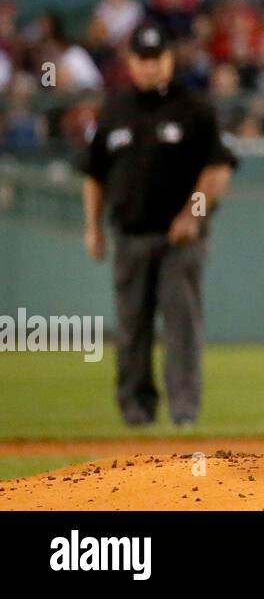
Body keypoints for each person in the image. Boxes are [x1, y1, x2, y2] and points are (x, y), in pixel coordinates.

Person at [80, 23, 238, 428]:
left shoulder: (193, 107)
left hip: (179, 240)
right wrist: (92, 228)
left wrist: (192, 214)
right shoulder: (114, 109)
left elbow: (217, 172)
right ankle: (136, 413)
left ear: (170, 59)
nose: (150, 68)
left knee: (180, 325)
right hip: (129, 234)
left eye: (157, 59)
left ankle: (184, 414)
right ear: (131, 63)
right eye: (142, 60)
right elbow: (94, 173)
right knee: (132, 327)